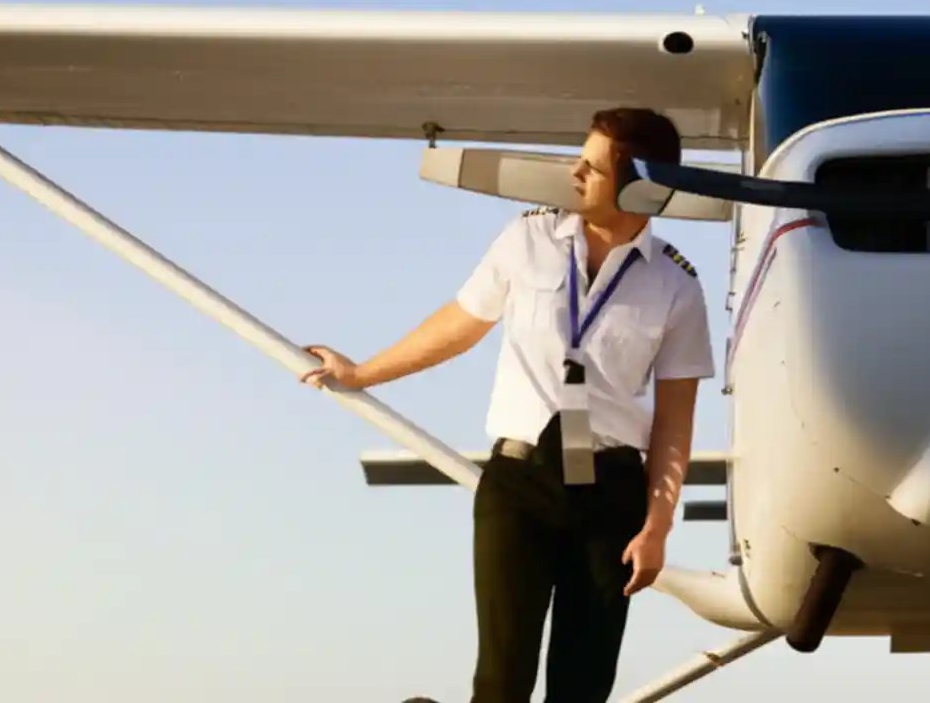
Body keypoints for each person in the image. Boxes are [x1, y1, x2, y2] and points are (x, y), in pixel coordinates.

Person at [300, 107, 714, 703]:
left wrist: (658, 525)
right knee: (502, 679)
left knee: (584, 683)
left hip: (610, 496)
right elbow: (459, 326)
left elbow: (675, 418)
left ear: (639, 185)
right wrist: (364, 372)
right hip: (520, 482)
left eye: (592, 167)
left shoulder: (677, 285)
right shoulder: (527, 239)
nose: (574, 173)